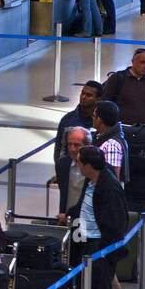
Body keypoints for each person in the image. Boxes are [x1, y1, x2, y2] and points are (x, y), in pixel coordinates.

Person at [66, 146, 127, 289]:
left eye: (80, 162)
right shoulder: (93, 180)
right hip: (87, 243)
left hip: (99, 250)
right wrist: (70, 214)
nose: (78, 166)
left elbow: (116, 224)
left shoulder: (108, 187)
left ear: (89, 165)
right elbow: (86, 207)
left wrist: (102, 253)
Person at [52, 80, 102, 208]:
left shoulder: (101, 122)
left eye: (89, 95)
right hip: (70, 173)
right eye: (82, 93)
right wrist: (60, 170)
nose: (83, 97)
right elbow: (59, 149)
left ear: (98, 99)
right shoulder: (68, 120)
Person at [101, 48, 145, 127]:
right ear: (133, 62)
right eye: (142, 62)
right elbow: (104, 104)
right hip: (121, 129)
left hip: (144, 130)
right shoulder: (117, 78)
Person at [51, 126, 92, 223]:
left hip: (89, 221)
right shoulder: (62, 165)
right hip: (67, 220)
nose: (72, 149)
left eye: (77, 145)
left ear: (88, 145)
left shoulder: (95, 167)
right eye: (70, 144)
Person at [92, 99, 129, 184]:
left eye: (94, 116)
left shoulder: (112, 145)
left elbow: (111, 180)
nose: (92, 118)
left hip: (106, 195)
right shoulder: (100, 137)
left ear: (100, 119)